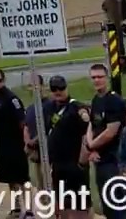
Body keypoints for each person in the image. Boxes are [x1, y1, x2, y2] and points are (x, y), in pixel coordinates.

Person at [44, 75, 91, 219]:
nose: (58, 91)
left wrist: (83, 158)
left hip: (74, 165)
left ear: (66, 88)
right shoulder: (50, 107)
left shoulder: (75, 106)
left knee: (81, 204)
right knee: (61, 203)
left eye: (61, 88)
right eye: (54, 89)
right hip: (57, 165)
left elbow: (86, 121)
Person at [83, 64, 126, 219]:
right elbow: (92, 126)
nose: (97, 80)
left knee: (118, 204)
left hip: (114, 161)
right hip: (100, 160)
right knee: (106, 204)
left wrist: (91, 145)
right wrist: (92, 148)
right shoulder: (96, 100)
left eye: (100, 77)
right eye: (93, 77)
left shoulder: (114, 101)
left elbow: (111, 132)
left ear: (106, 78)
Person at [0, 69, 30, 217]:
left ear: (3, 81)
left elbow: (22, 122)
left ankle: (26, 209)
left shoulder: (12, 99)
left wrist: (25, 143)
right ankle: (16, 207)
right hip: (2, 144)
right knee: (9, 178)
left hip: (15, 144)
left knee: (20, 178)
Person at [22, 73, 54, 185]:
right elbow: (26, 126)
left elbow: (48, 128)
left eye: (36, 85)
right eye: (31, 85)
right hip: (35, 155)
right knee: (40, 187)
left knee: (49, 185)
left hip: (47, 155)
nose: (33, 88)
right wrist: (27, 143)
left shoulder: (49, 105)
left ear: (42, 86)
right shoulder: (30, 108)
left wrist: (33, 141)